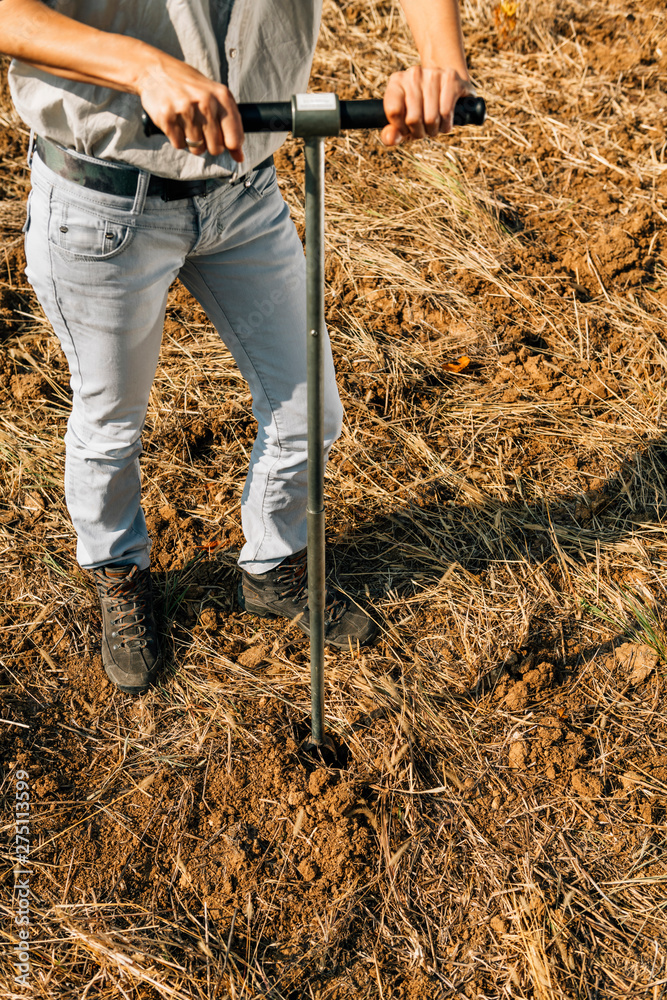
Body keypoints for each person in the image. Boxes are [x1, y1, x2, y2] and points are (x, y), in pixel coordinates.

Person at [0, 0, 475, 694]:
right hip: (103, 202)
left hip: (245, 193)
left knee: (310, 409)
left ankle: (275, 566)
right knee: (110, 424)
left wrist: (439, 61)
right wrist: (144, 67)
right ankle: (118, 569)